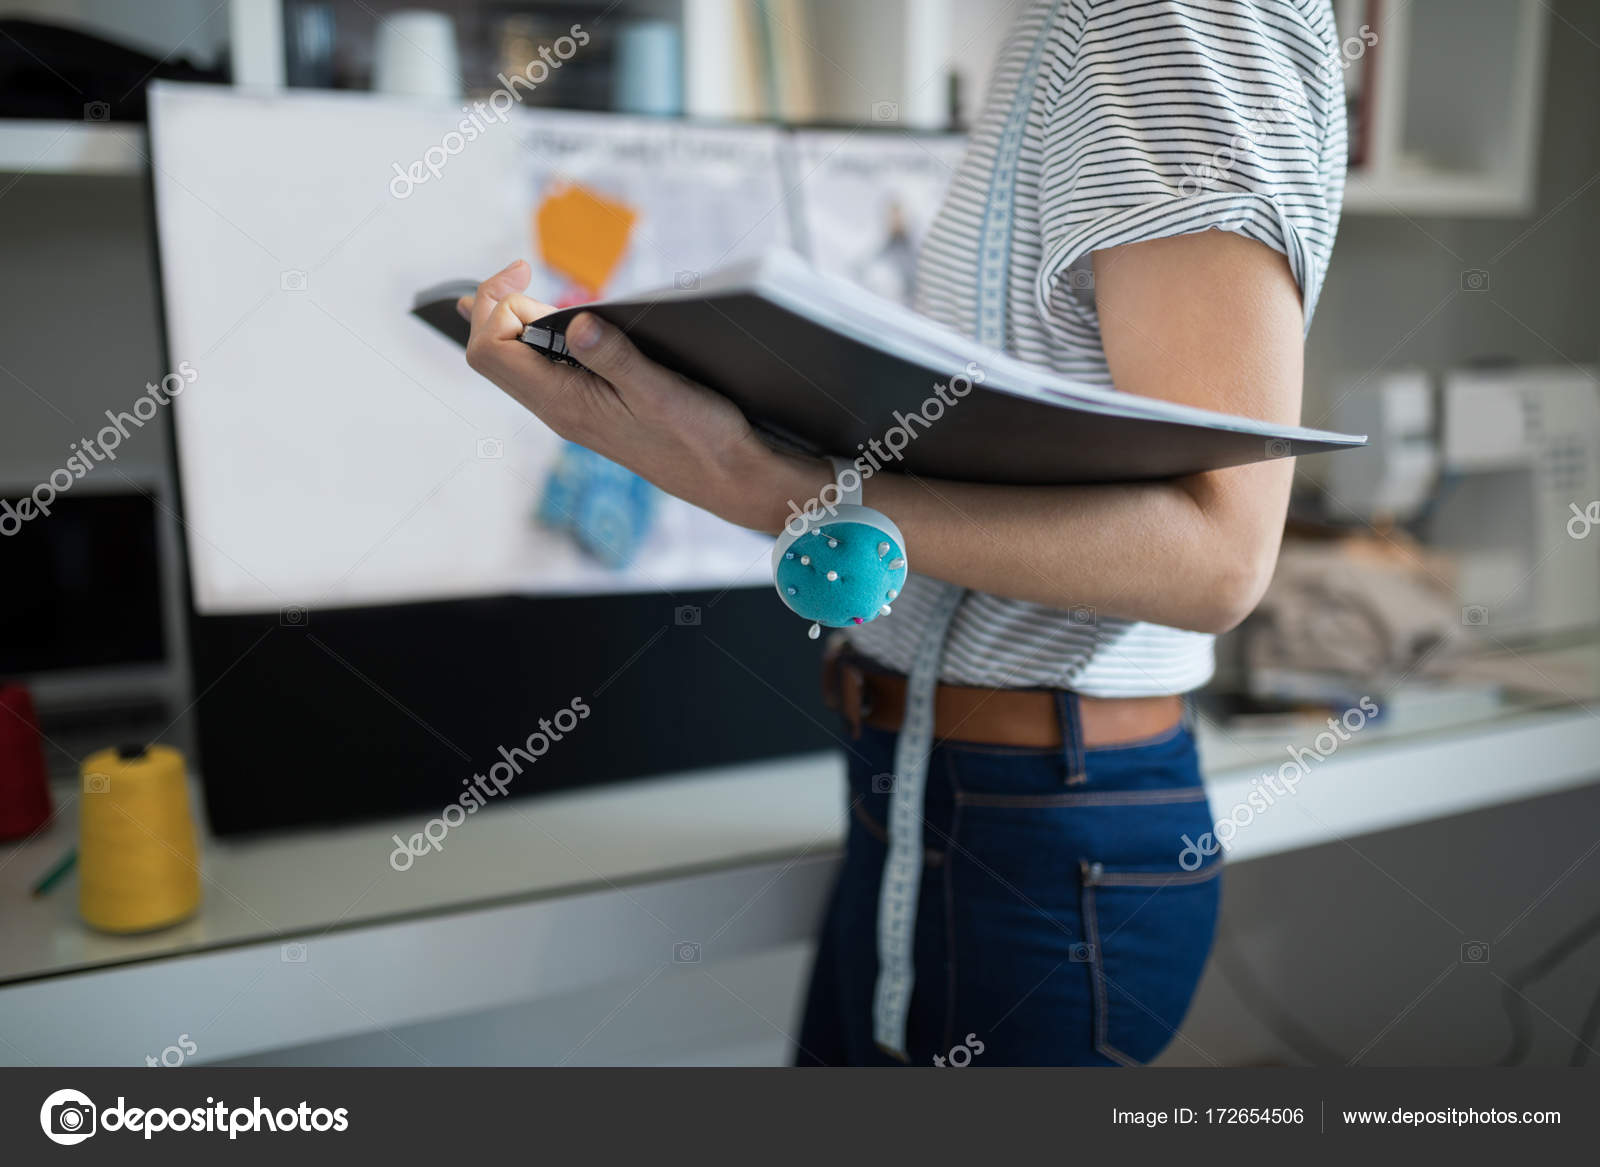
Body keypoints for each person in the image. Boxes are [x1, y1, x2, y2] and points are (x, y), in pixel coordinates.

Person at [459, 0, 1345, 1066]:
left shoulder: (1167, 18)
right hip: (933, 787)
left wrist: (773, 484)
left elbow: (1219, 558)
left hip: (1026, 833)